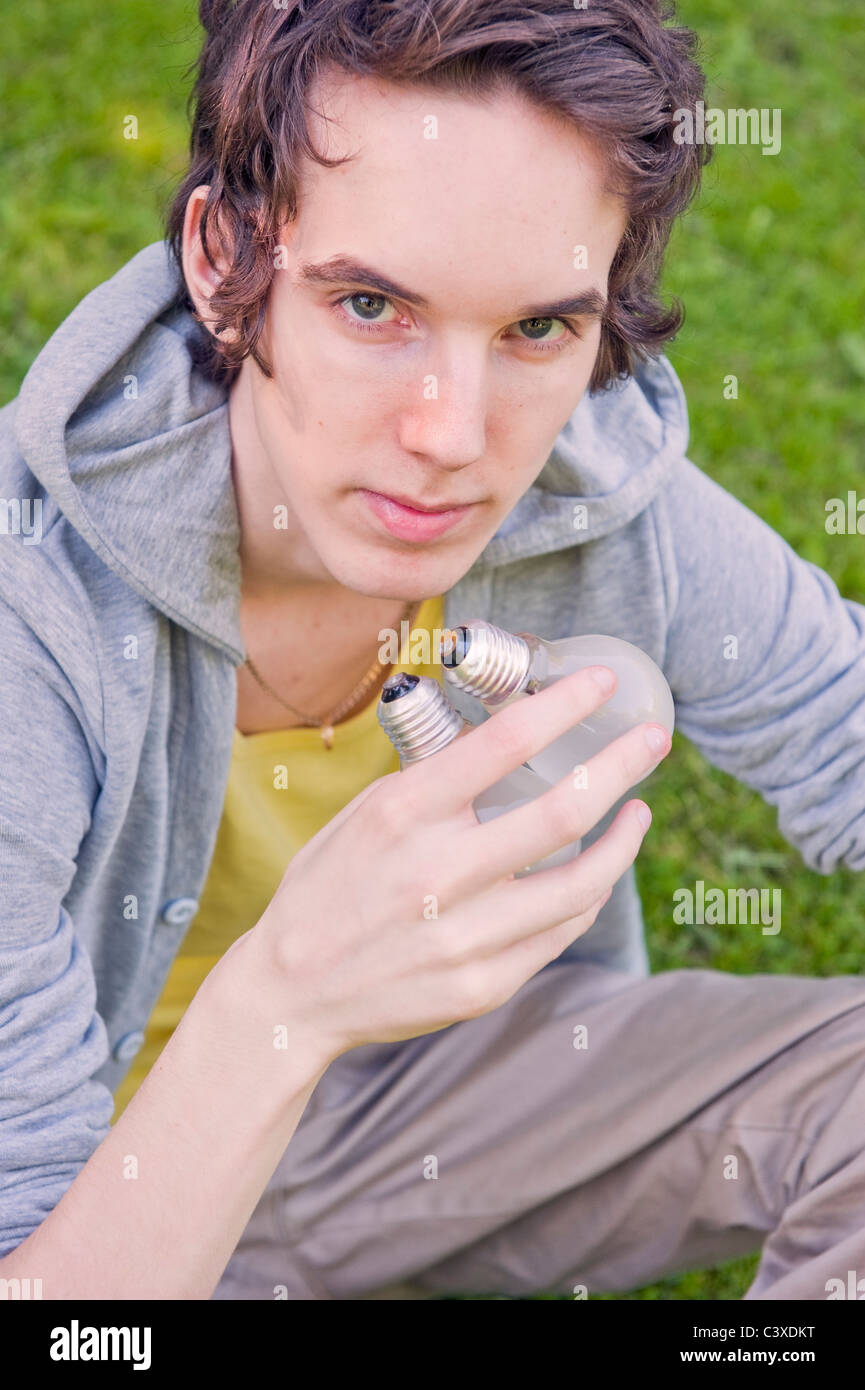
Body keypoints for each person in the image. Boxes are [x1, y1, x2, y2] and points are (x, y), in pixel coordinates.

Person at [1, 0, 863, 1303]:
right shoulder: (29, 615)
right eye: (370, 305)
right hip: (102, 1197)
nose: (453, 436)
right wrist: (286, 997)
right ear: (224, 253)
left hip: (412, 1126)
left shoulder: (587, 497)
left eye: (535, 330)